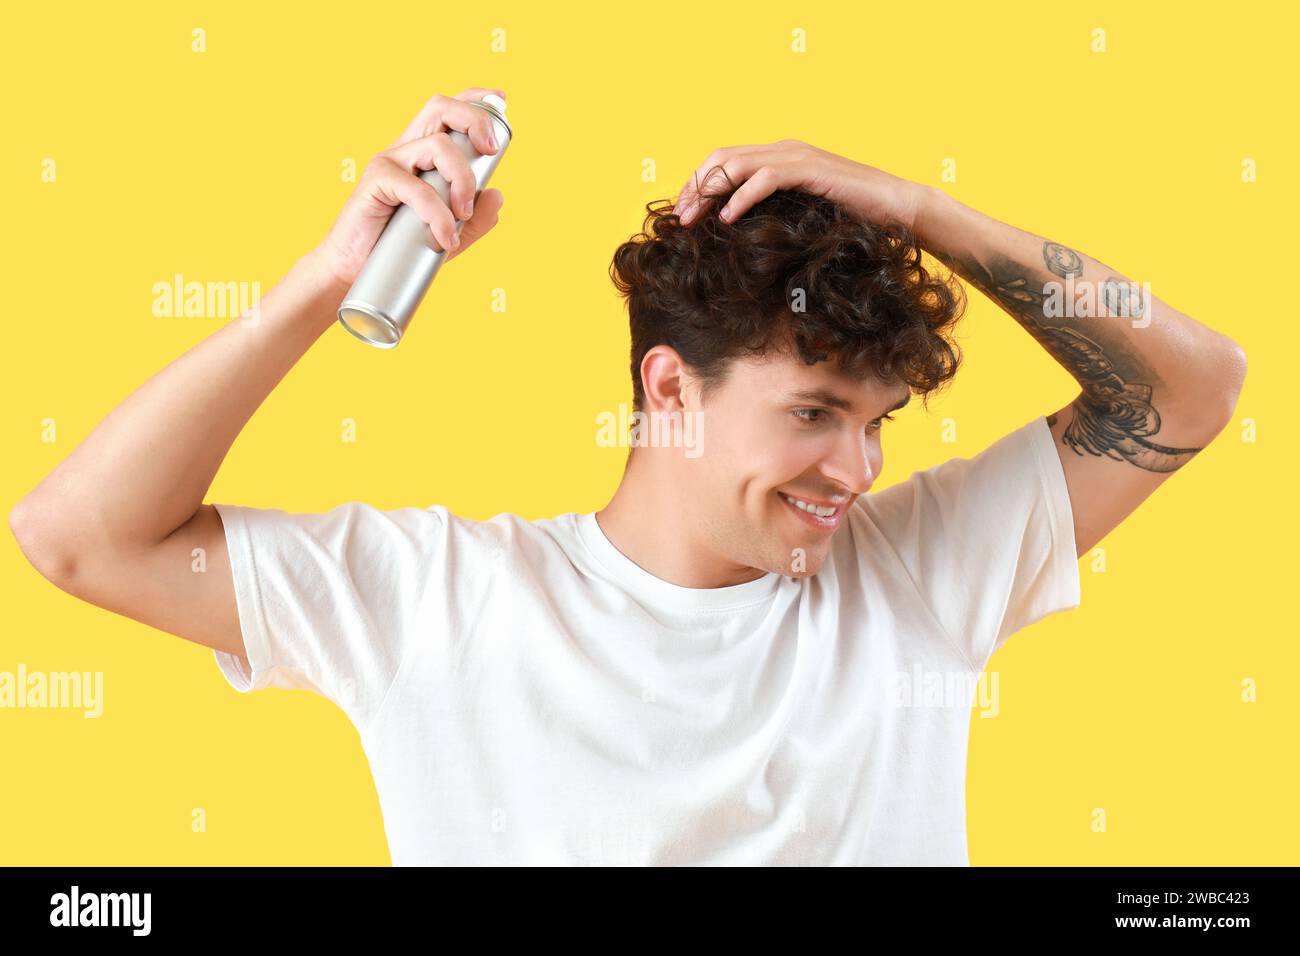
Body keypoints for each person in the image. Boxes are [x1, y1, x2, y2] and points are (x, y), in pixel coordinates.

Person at [9, 88, 1247, 865]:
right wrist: (327, 279)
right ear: (669, 389)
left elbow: (1193, 384)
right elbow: (76, 535)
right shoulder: (438, 599)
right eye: (815, 412)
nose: (857, 468)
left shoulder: (917, 573)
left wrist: (924, 211)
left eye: (877, 422)